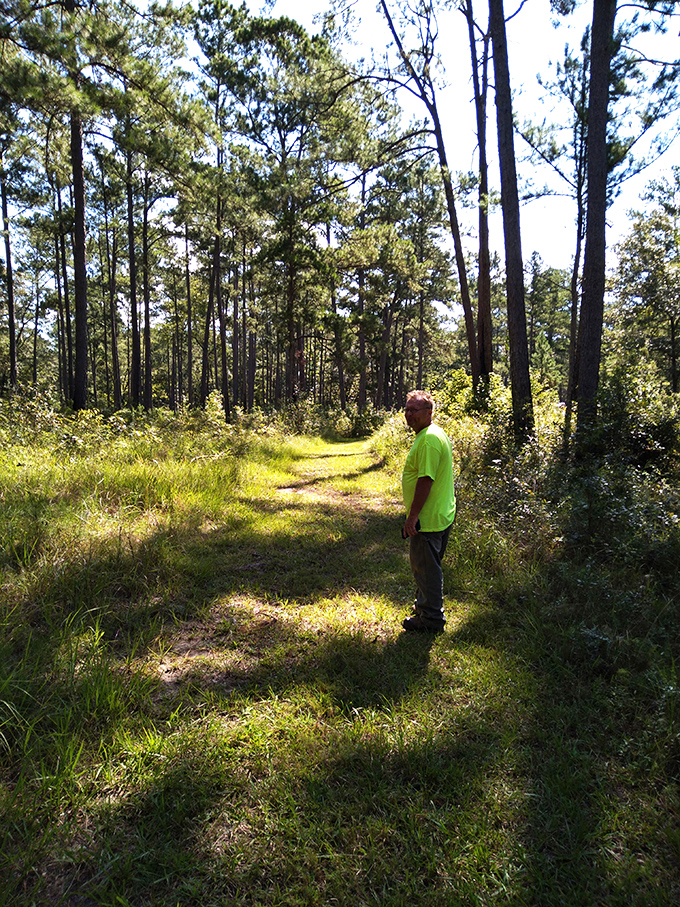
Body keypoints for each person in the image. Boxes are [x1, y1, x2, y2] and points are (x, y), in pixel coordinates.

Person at [401, 390, 456, 633]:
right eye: (407, 409)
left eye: (415, 410)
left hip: (429, 519)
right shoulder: (431, 434)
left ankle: (431, 619)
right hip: (439, 514)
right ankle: (424, 606)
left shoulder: (429, 440)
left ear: (429, 412)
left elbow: (426, 480)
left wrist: (413, 517)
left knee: (427, 570)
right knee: (426, 567)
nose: (409, 414)